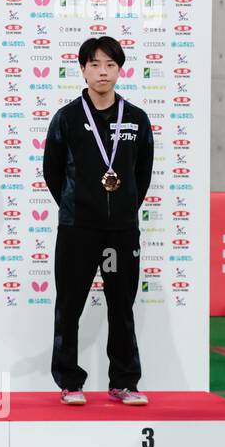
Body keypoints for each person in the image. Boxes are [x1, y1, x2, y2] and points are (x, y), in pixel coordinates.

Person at [42, 35, 154, 406]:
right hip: (78, 230)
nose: (102, 72)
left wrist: (123, 207)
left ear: (120, 70)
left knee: (121, 306)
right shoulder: (68, 118)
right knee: (69, 305)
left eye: (110, 65)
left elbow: (142, 173)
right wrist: (76, 206)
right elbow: (52, 171)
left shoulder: (136, 119)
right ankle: (69, 381)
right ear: (83, 69)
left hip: (121, 232)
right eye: (94, 65)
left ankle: (124, 381)